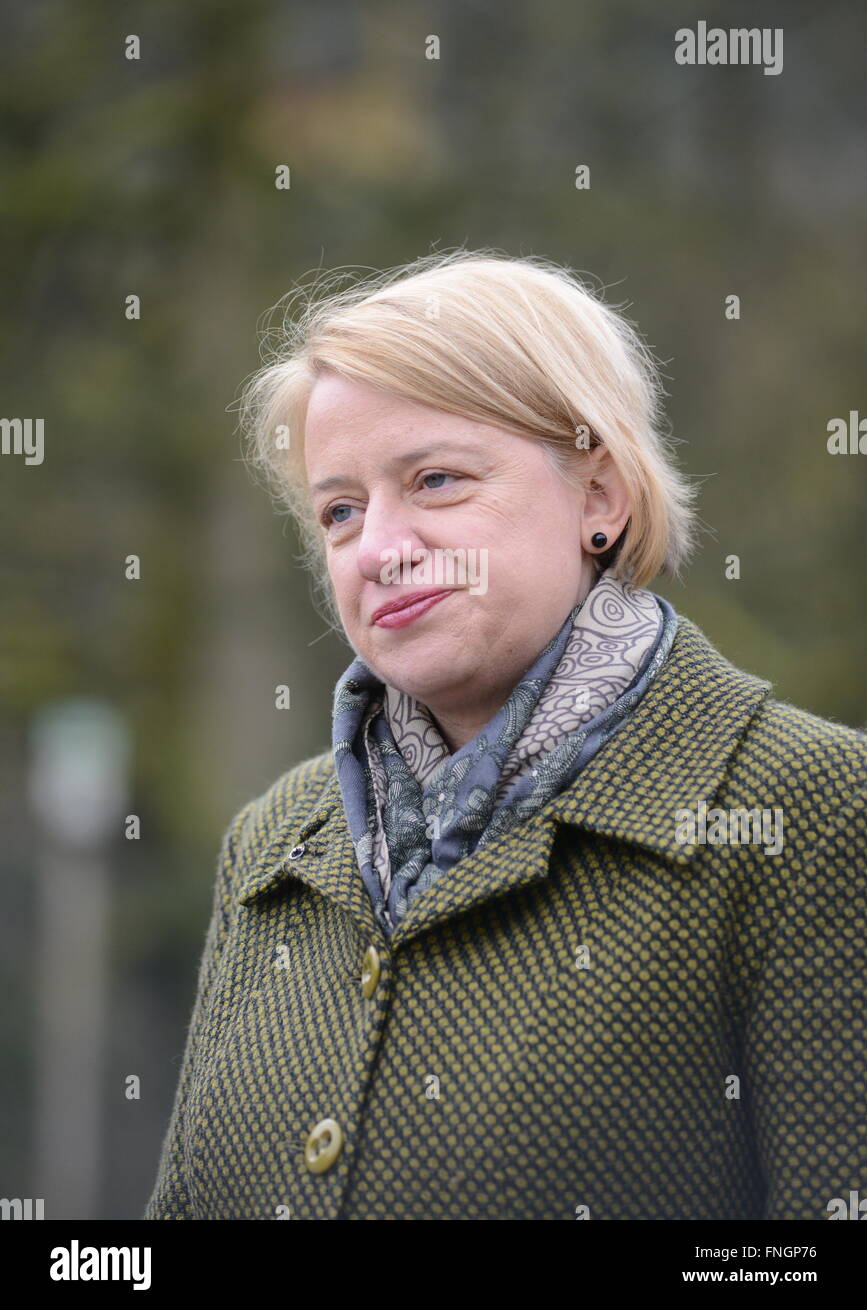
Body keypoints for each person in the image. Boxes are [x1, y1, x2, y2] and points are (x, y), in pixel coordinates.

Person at [144, 249, 866, 1221]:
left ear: (600, 497)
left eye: (436, 480)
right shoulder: (275, 844)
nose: (383, 549)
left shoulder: (811, 810)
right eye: (342, 510)